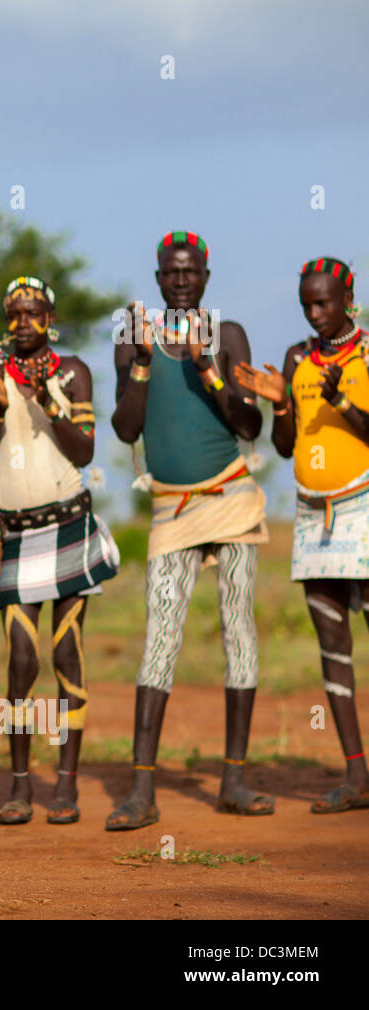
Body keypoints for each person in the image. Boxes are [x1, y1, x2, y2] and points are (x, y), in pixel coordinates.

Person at [108, 231, 271, 830]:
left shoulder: (227, 338)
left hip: (230, 496)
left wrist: (208, 368)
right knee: (160, 641)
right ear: (157, 280)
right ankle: (141, 791)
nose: (180, 281)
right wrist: (147, 362)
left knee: (239, 632)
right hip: (172, 507)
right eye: (171, 274)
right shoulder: (132, 340)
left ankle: (234, 779)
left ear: (206, 275)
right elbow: (126, 430)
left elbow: (250, 421)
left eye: (190, 273)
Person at [0, 276, 119, 824]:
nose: (24, 321)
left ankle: (67, 785)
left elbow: (84, 448)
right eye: (15, 313)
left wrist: (37, 402)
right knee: (22, 663)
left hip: (69, 528)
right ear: (7, 319)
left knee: (66, 655)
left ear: (50, 319)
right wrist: (3, 407)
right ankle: (19, 786)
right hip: (15, 535)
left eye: (35, 313)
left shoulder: (72, 372)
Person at [235, 257, 369, 813]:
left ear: (347, 298)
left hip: (364, 507)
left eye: (324, 303)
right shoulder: (296, 358)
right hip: (314, 516)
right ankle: (357, 777)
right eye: (307, 305)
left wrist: (340, 399)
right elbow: (286, 446)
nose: (315, 314)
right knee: (332, 647)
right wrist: (283, 403)